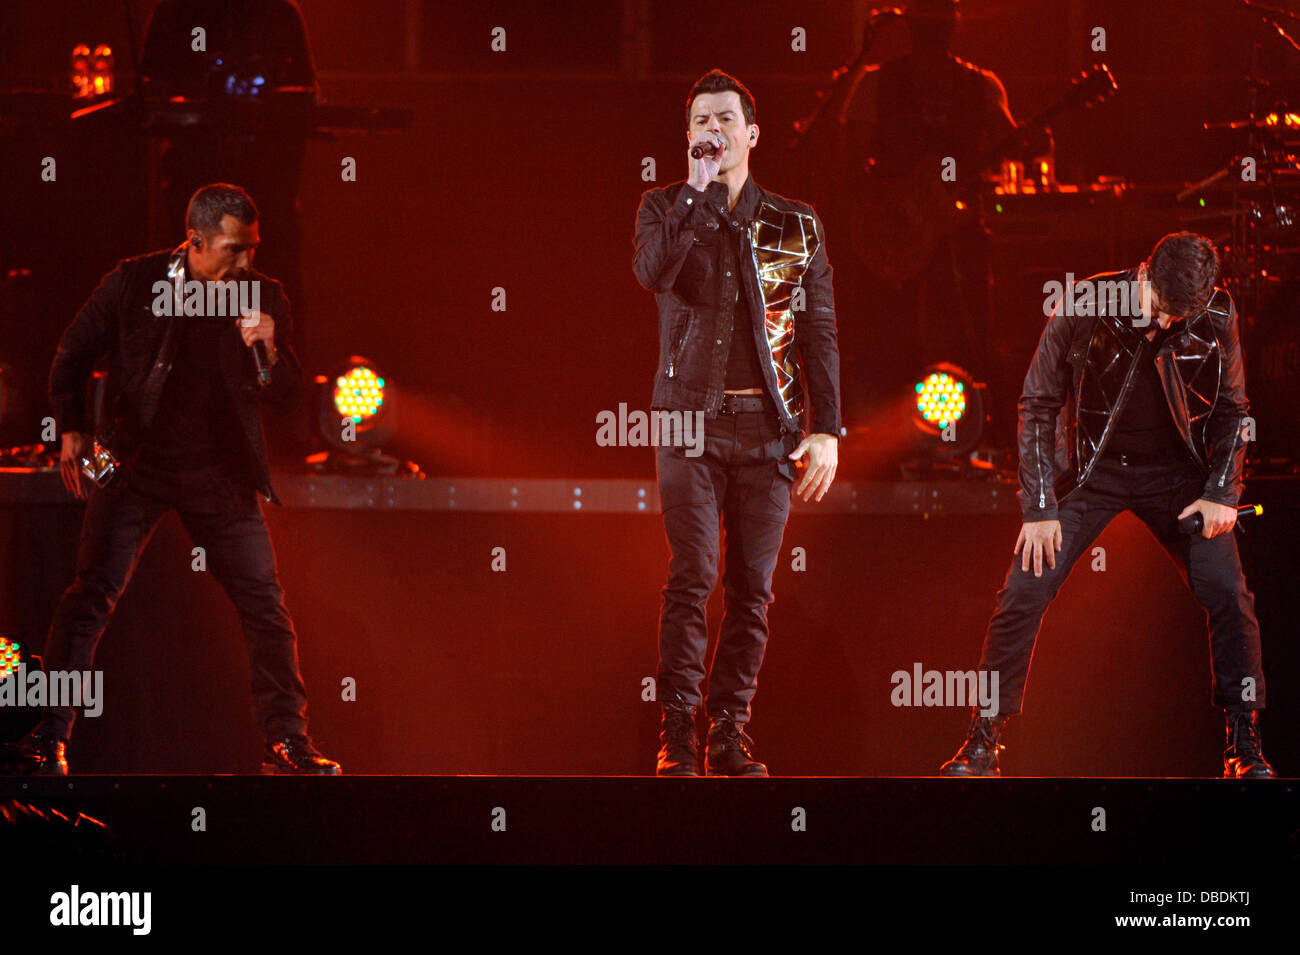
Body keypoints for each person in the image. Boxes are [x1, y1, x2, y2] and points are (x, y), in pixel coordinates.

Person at [13, 183, 339, 776]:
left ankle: (286, 743)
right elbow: (72, 351)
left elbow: (288, 399)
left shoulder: (263, 297)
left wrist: (268, 349)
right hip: (133, 465)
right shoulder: (135, 284)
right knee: (90, 596)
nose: (247, 262)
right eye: (235, 250)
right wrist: (72, 430)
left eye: (253, 249)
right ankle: (47, 737)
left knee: (264, 605)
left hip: (219, 476)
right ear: (195, 241)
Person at [939, 232, 1276, 778]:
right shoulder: (1084, 303)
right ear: (1143, 275)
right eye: (1159, 310)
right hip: (1092, 474)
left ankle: (1245, 741)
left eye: (1178, 319)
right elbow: (1038, 401)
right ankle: (983, 737)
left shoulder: (1216, 312)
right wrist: (1042, 503)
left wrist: (1220, 494)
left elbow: (1235, 411)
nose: (1165, 325)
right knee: (1023, 590)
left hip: (1178, 480)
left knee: (1229, 596)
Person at [633, 70, 842, 777]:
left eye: (725, 119)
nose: (712, 130)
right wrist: (695, 191)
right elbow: (654, 273)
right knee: (692, 574)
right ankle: (678, 737)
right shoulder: (664, 207)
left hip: (767, 427)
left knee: (752, 586)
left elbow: (820, 332)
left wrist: (829, 427)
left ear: (752, 133)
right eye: (699, 121)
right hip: (688, 424)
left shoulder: (796, 222)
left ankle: (728, 730)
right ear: (688, 138)